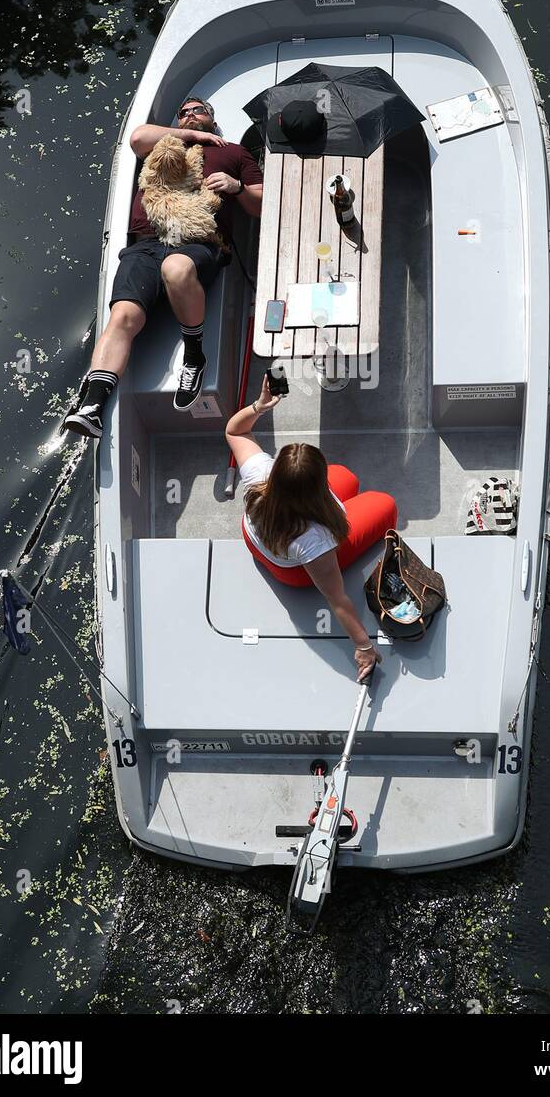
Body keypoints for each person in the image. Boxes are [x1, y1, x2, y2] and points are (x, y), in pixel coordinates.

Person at [63, 97, 263, 438]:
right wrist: (190, 137)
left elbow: (261, 204)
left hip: (199, 241)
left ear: (213, 119)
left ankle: (195, 355)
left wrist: (237, 186)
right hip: (146, 243)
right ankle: (93, 406)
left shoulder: (232, 152)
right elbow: (138, 137)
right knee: (124, 315)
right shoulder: (164, 143)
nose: (189, 116)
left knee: (176, 269)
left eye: (197, 111)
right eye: (183, 113)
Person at [225, 376, 398, 681]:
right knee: (384, 505)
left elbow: (234, 430)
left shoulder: (258, 473)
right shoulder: (314, 539)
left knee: (346, 477)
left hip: (258, 537)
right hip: (294, 569)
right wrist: (363, 645)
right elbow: (337, 598)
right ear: (317, 487)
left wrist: (259, 406)